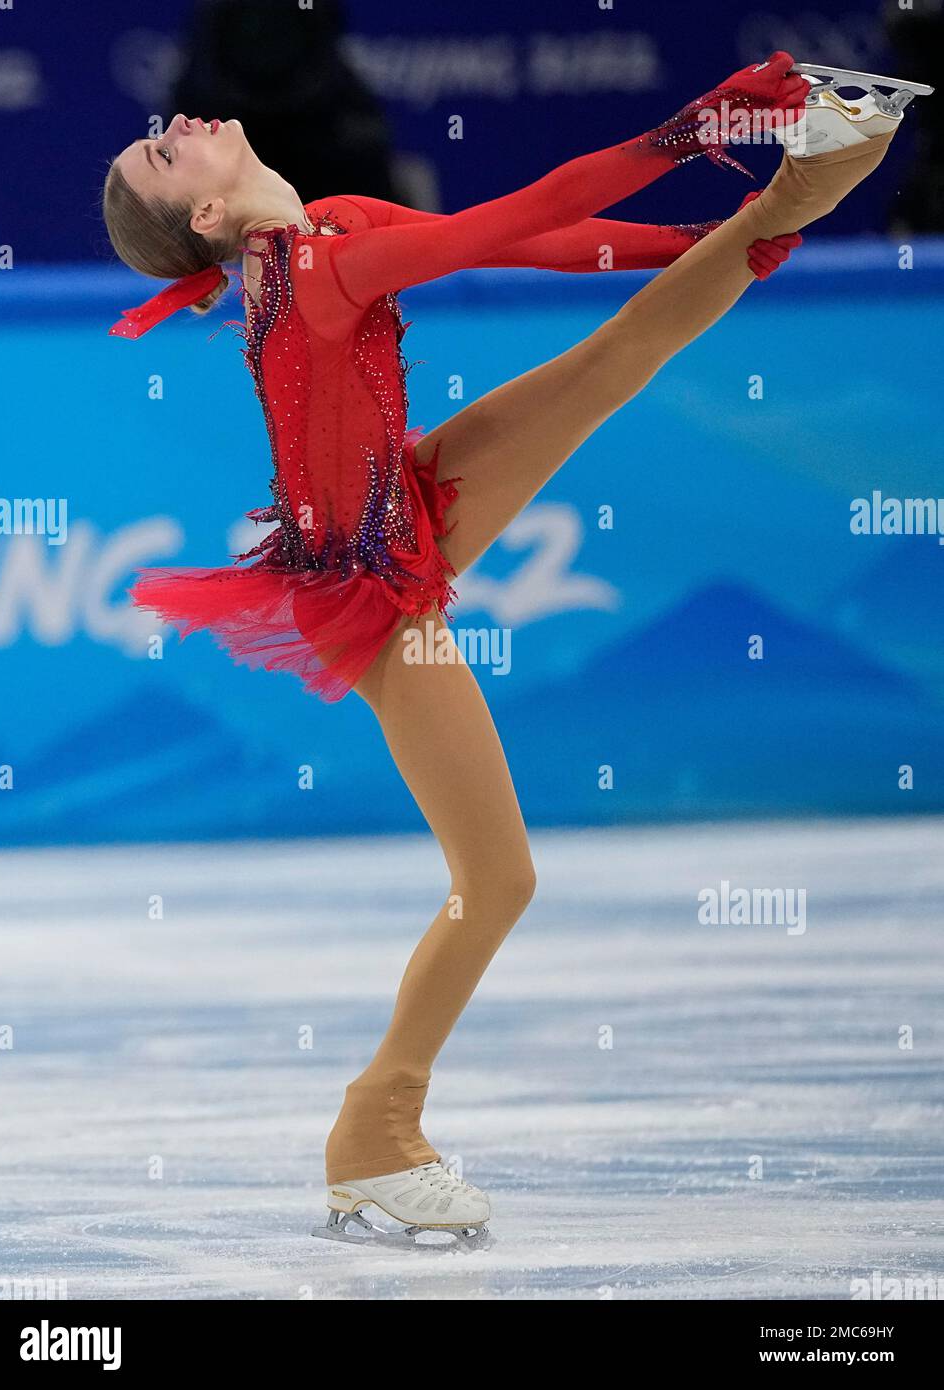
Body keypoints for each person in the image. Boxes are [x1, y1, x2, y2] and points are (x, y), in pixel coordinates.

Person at [102, 51, 910, 1246]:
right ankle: (373, 1134)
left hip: (405, 500)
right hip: (371, 592)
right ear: (207, 215)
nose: (175, 121)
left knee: (607, 365)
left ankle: (793, 195)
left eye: (159, 130)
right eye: (165, 151)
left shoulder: (329, 227)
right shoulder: (323, 265)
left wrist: (731, 224)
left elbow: (535, 247)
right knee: (501, 880)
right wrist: (700, 124)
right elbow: (523, 210)